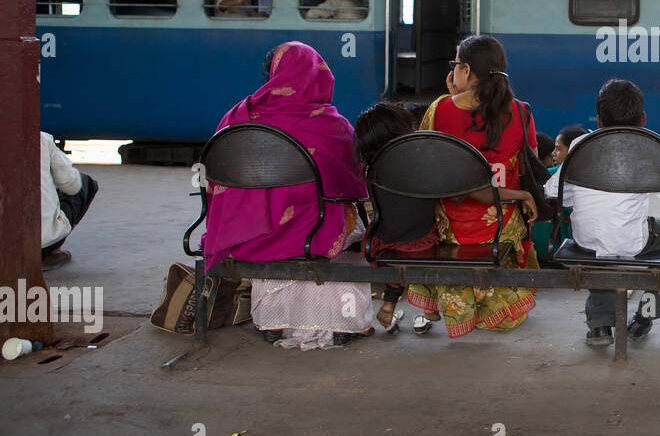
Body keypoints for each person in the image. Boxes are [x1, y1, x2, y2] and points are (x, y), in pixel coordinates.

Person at [201, 41, 373, 348]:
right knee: (351, 223)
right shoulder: (331, 125)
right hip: (312, 236)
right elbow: (353, 186)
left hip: (245, 237)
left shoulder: (238, 117)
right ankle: (342, 321)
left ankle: (274, 321)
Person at [544, 80, 660, 347]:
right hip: (633, 242)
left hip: (584, 241)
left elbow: (554, 193)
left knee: (601, 246)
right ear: (643, 118)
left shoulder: (581, 145)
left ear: (598, 119)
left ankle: (600, 326)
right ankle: (645, 315)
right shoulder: (653, 150)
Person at [415, 36, 541, 338]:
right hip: (500, 226)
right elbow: (530, 168)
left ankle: (437, 303)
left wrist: (452, 98)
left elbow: (421, 166)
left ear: (467, 70)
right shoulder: (521, 112)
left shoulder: (440, 110)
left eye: (455, 65)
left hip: (452, 225)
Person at [353, 101, 418, 334]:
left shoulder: (372, 169)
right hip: (422, 236)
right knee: (418, 254)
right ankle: (429, 308)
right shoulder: (418, 165)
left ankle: (389, 304)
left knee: (398, 256)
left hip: (382, 239)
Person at [40, 132, 99, 270]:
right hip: (41, 243)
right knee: (84, 183)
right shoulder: (41, 138)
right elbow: (72, 184)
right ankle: (49, 255)